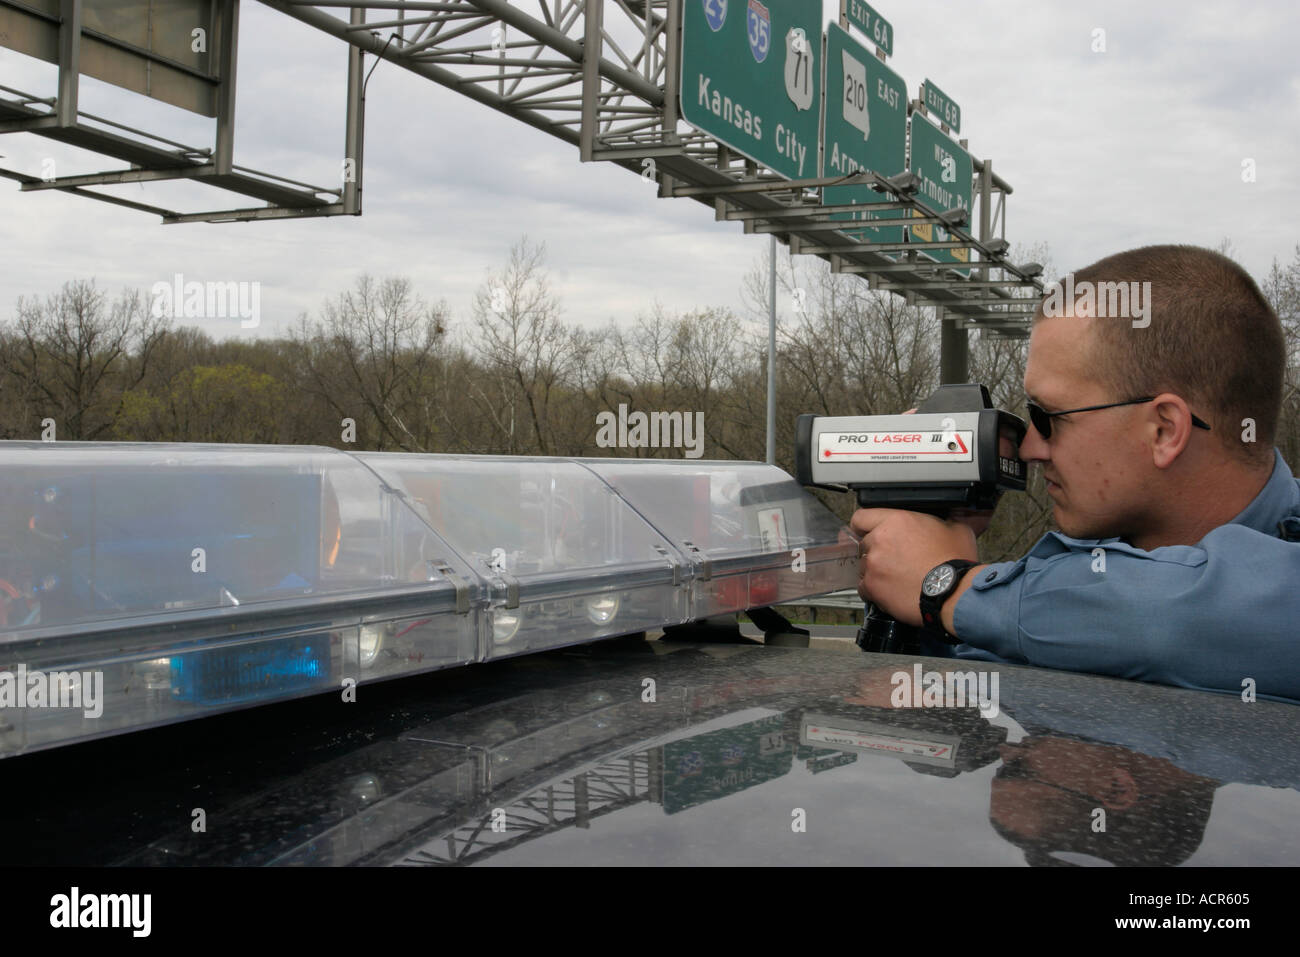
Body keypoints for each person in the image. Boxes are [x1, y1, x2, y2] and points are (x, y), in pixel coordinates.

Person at [850, 244, 1300, 703]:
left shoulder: (1064, 599)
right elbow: (959, 703)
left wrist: (947, 586)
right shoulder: (1069, 585)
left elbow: (1178, 620)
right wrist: (931, 543)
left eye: (1048, 416)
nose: (1028, 448)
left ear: (1165, 430)